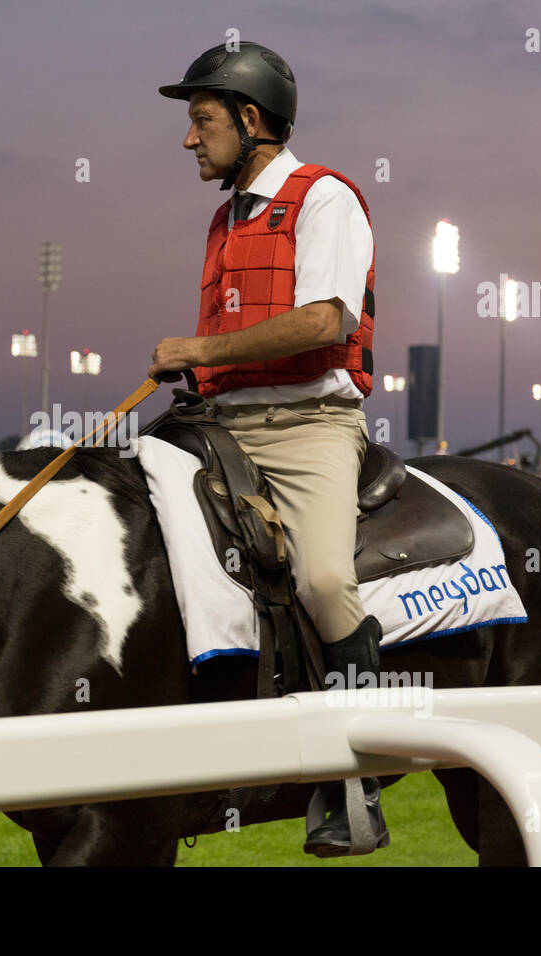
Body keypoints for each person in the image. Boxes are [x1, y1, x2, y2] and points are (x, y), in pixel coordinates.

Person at [149, 41, 385, 856]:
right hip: (219, 426)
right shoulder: (227, 217)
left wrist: (199, 353)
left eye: (201, 120)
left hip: (308, 428)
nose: (189, 139)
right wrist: (200, 375)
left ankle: (355, 782)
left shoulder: (326, 200)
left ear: (251, 120)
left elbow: (326, 321)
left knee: (322, 578)